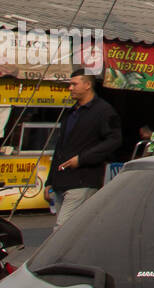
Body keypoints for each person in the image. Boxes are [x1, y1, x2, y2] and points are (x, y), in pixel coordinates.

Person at [48, 68, 122, 231]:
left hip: (83, 180)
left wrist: (82, 159)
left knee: (62, 229)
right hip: (62, 181)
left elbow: (114, 140)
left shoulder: (103, 111)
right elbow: (60, 146)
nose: (70, 88)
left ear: (87, 85)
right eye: (70, 84)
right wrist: (49, 181)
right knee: (72, 229)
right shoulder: (72, 112)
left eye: (74, 84)